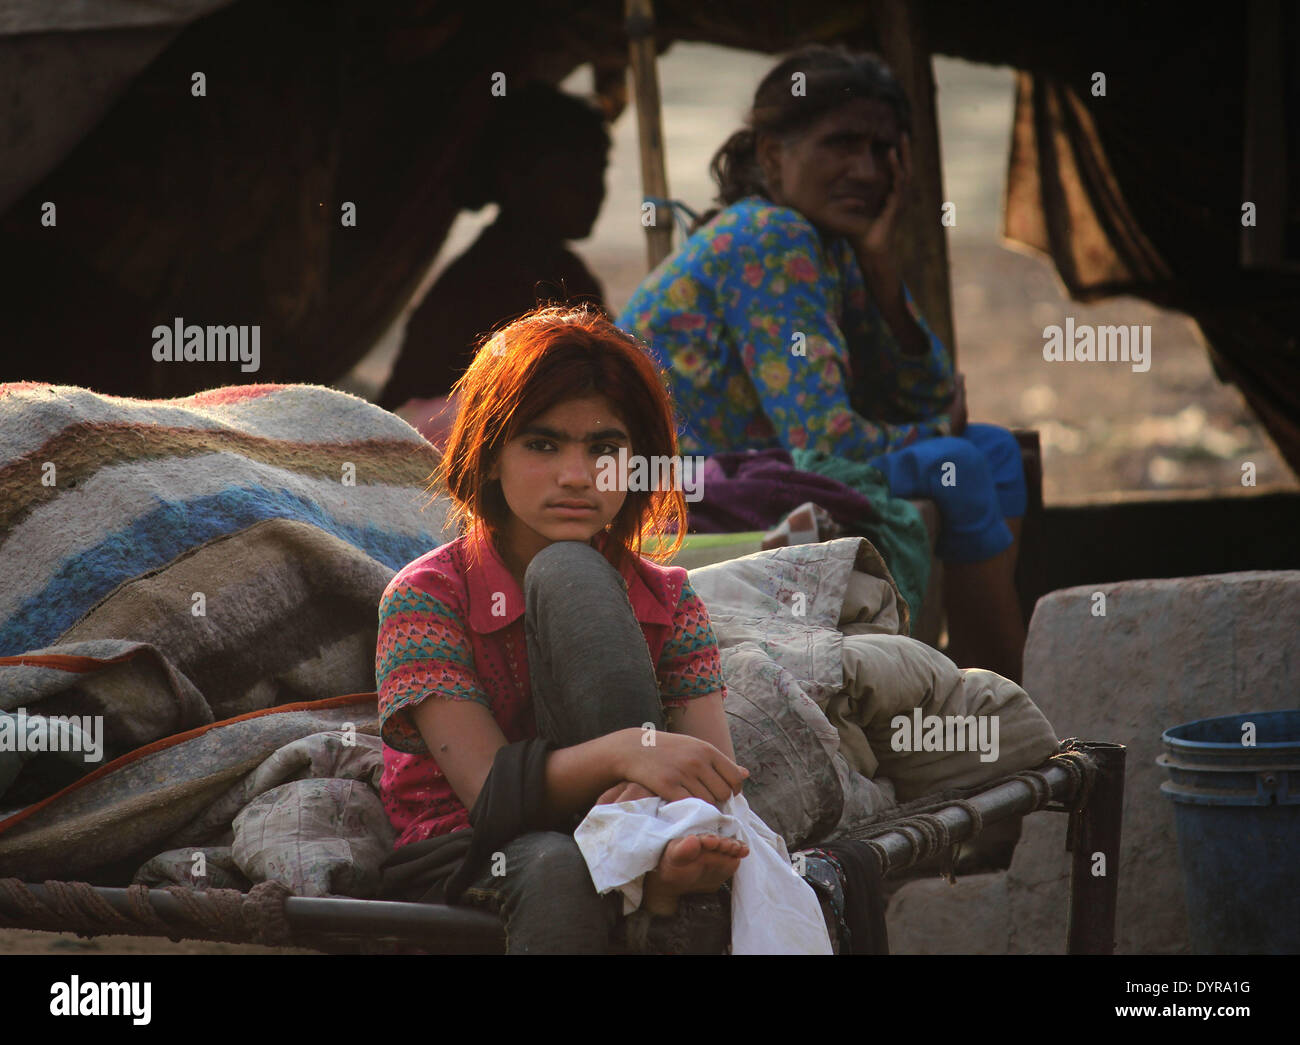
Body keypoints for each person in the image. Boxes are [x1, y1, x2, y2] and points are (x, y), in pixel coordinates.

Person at [617, 45, 1027, 683]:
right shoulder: (770, 239)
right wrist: (941, 433)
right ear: (775, 155)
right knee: (958, 462)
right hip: (687, 487)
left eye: (882, 151)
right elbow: (828, 441)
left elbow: (925, 397)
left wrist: (883, 274)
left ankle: (987, 686)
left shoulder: (826, 244)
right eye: (842, 145)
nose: (866, 170)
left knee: (997, 450)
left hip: (752, 464)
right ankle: (996, 692)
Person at [375, 305, 752, 954]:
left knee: (704, 881)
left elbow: (708, 778)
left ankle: (637, 850)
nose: (577, 475)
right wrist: (626, 750)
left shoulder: (669, 598)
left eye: (605, 448)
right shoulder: (425, 598)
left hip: (630, 825)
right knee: (558, 866)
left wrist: (683, 846)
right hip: (469, 850)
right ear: (491, 455)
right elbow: (490, 791)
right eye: (542, 444)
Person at [377, 85, 610, 425]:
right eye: (573, 174)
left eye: (599, 170)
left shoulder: (563, 273)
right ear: (514, 178)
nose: (596, 191)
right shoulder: (484, 288)